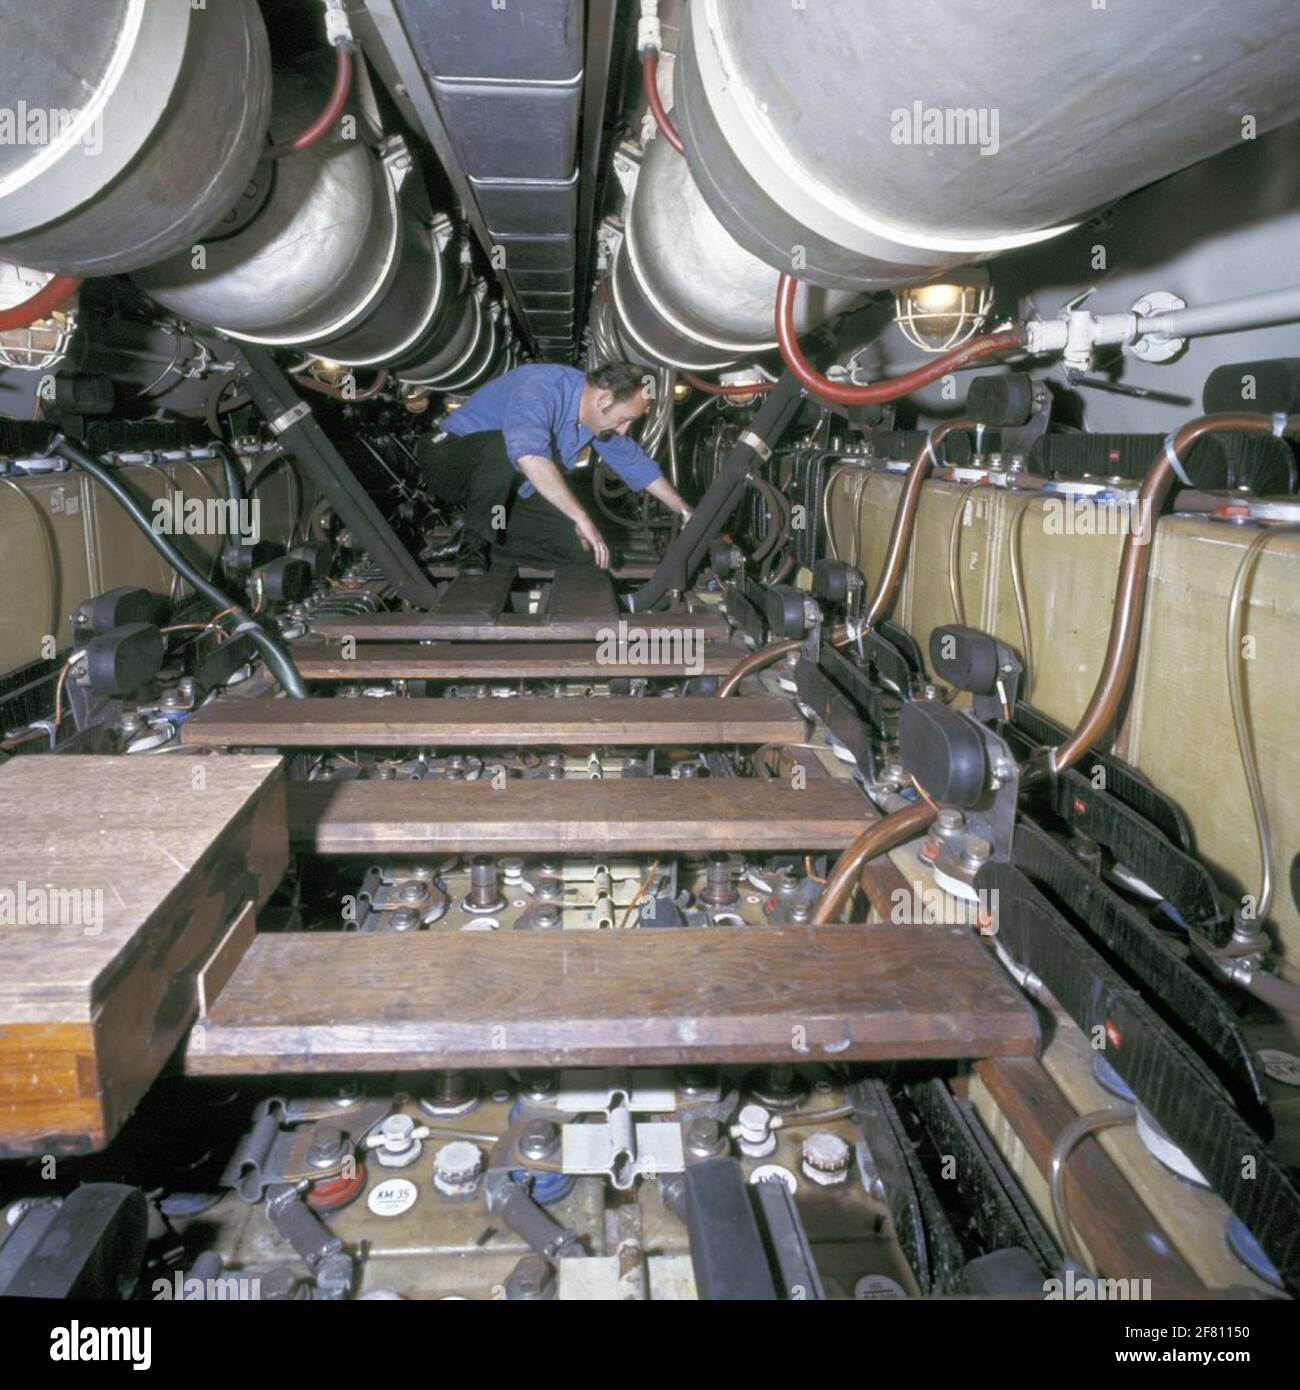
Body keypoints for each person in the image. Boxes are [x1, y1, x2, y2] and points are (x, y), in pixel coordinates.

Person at [417, 361, 692, 574]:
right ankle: (473, 543)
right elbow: (528, 455)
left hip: (499, 498)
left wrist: (683, 509)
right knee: (504, 447)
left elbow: (635, 463)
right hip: (449, 461)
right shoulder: (540, 386)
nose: (623, 430)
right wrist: (581, 517)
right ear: (604, 399)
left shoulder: (597, 421)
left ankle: (487, 539)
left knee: (579, 549)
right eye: (624, 420)